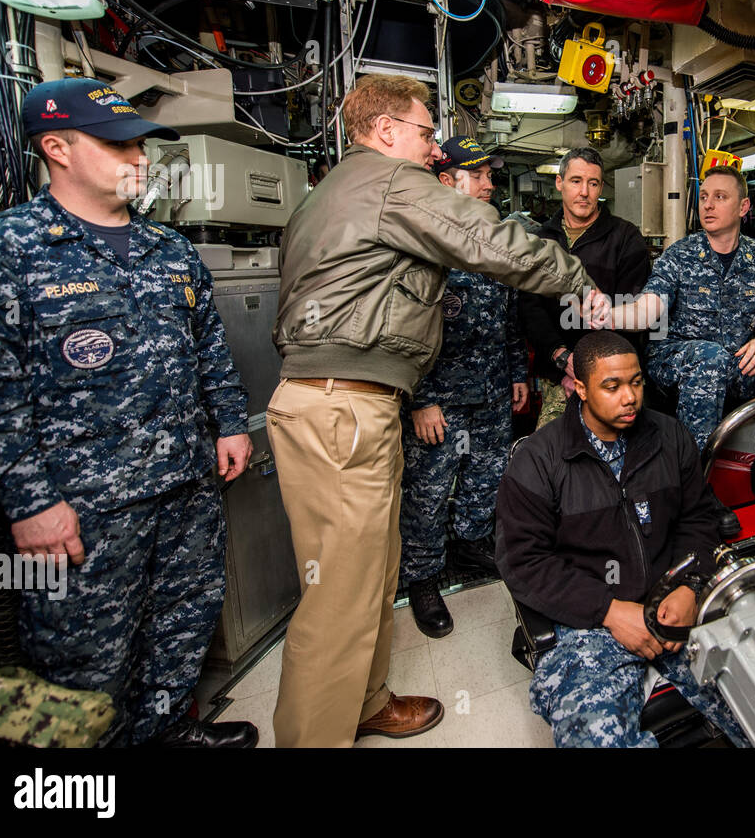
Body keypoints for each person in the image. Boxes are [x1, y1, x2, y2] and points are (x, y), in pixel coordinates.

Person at [269, 75, 606, 748]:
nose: (433, 150)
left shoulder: (333, 192)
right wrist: (580, 282)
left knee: (368, 576)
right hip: (345, 404)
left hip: (346, 400)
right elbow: (489, 239)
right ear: (387, 130)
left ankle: (365, 701)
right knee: (339, 597)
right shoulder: (390, 180)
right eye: (427, 133)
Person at [0, 77, 256, 747]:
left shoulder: (171, 251)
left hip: (185, 487)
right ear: (57, 147)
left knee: (181, 623)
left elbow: (209, 346)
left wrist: (232, 422)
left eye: (142, 146)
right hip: (83, 506)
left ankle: (165, 731)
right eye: (118, 144)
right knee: (85, 653)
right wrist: (32, 501)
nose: (139, 160)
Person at [495, 332, 749, 748]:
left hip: (672, 600)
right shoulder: (539, 459)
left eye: (636, 382)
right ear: (580, 388)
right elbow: (523, 561)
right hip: (590, 621)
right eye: (611, 387)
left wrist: (689, 586)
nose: (629, 397)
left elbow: (698, 519)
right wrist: (609, 611)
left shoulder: (671, 437)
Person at [608, 165, 755, 522]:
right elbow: (650, 309)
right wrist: (611, 315)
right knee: (710, 355)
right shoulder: (680, 254)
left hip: (737, 363)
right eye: (704, 197)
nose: (708, 205)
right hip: (679, 359)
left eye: (720, 197)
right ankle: (697, 483)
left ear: (743, 207)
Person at [399, 136, 528, 638]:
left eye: (492, 177)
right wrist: (422, 398)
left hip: (493, 391)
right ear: (448, 181)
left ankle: (472, 544)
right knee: (429, 491)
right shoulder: (422, 243)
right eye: (482, 176)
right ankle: (424, 577)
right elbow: (407, 330)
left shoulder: (493, 241)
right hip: (442, 399)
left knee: (485, 479)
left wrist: (518, 371)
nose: (491, 186)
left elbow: (510, 317)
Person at [518, 146, 650, 428]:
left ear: (601, 186)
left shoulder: (625, 238)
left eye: (593, 183)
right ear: (560, 183)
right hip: (557, 375)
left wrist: (587, 370)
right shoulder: (540, 241)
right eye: (576, 181)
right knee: (553, 460)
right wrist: (562, 359)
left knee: (613, 463)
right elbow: (531, 307)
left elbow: (629, 310)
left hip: (611, 377)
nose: (584, 192)